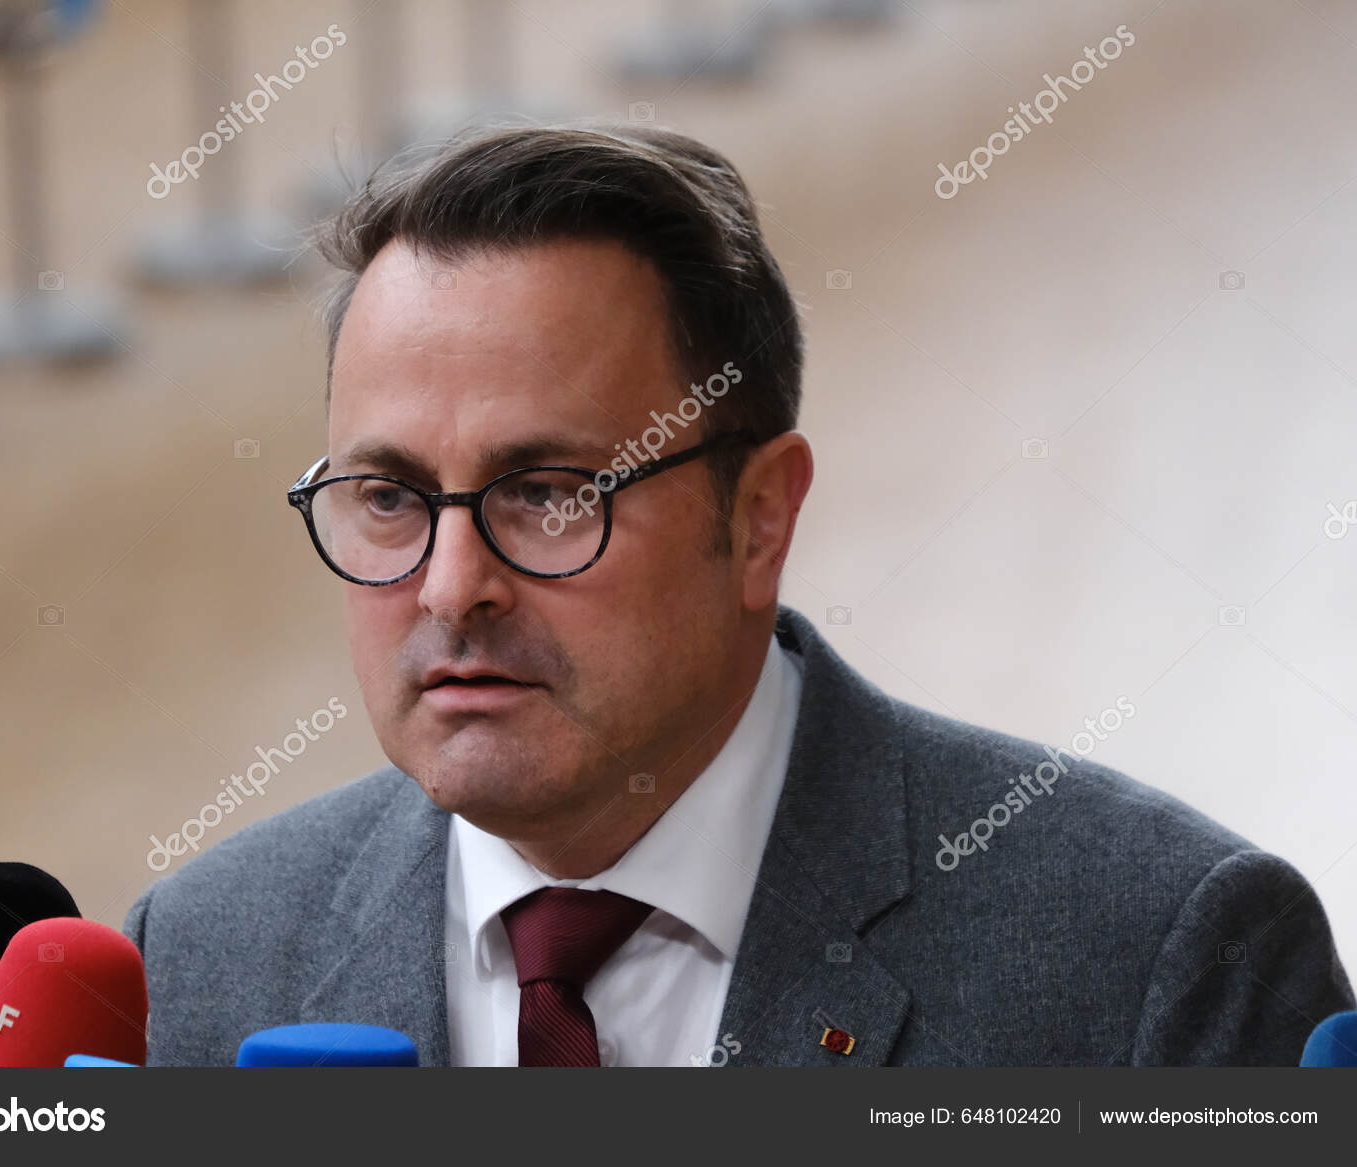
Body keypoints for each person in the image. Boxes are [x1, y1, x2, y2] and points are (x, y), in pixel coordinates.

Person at [127, 123, 1353, 1067]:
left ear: (758, 515)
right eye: (389, 497)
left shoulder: (1162, 965)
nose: (454, 586)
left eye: (550, 493)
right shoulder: (191, 966)